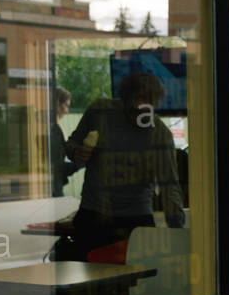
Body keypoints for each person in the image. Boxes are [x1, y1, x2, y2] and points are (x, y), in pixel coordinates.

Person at [58, 72, 184, 260]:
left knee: (135, 282)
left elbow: (169, 185)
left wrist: (177, 233)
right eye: (139, 99)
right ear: (124, 98)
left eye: (150, 101)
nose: (143, 106)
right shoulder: (100, 111)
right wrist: (76, 152)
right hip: (94, 214)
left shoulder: (159, 132)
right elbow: (71, 144)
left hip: (135, 218)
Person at [47, 86, 80, 197]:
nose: (67, 111)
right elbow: (59, 167)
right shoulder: (54, 130)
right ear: (57, 104)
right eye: (66, 105)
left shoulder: (52, 128)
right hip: (53, 189)